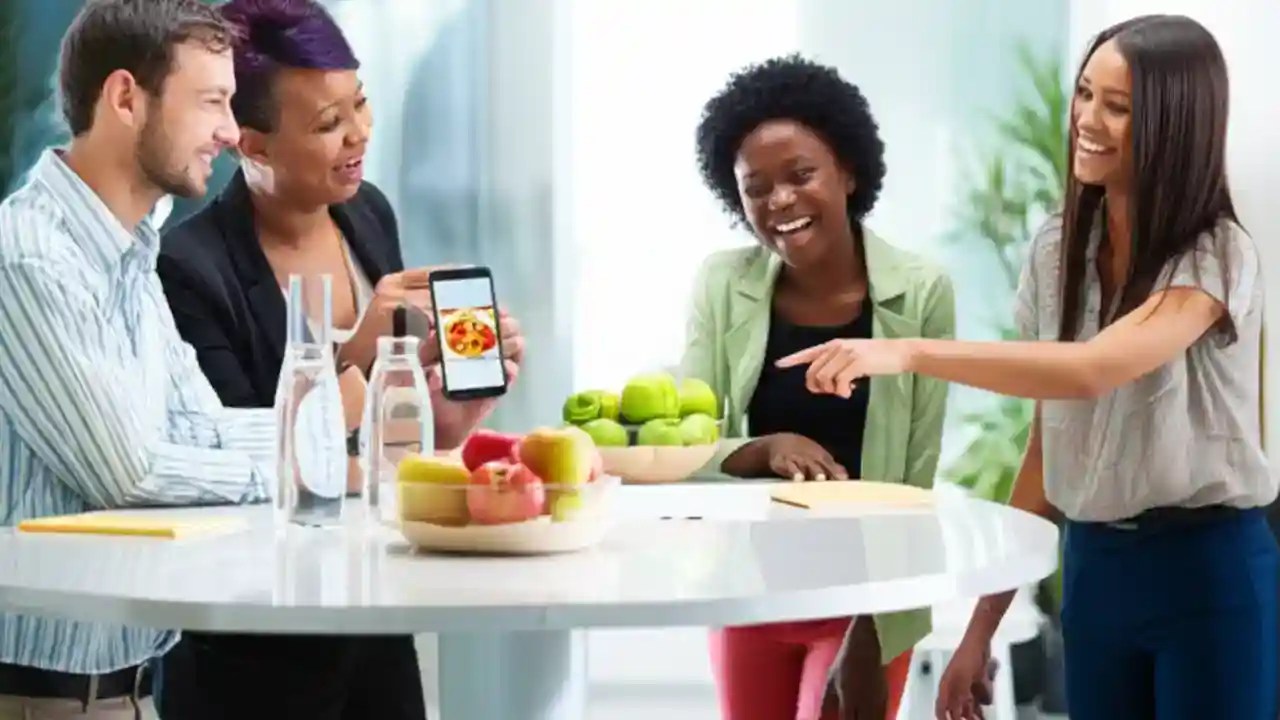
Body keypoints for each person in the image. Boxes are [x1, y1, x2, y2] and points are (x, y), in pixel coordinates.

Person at [776, 16, 1278, 720]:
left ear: (1173, 125)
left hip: (1208, 572)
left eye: (1117, 105)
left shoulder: (1215, 255)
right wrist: (979, 632)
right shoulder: (1057, 249)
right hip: (1096, 570)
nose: (1087, 120)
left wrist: (906, 351)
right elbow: (1048, 450)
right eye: (1085, 93)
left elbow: (1092, 369)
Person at [153, 1, 524, 719]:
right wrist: (354, 353)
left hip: (375, 614)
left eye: (360, 103)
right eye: (328, 123)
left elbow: (381, 443)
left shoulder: (366, 212)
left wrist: (445, 416)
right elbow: (233, 463)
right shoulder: (187, 269)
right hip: (253, 645)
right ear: (251, 144)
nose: (359, 133)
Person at [0, 1, 341, 718]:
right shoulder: (30, 260)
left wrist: (334, 439)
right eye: (211, 101)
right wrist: (304, 465)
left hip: (127, 695)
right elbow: (130, 473)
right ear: (126, 98)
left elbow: (196, 428)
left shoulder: (128, 252)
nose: (230, 131)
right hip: (35, 700)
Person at [683, 55, 955, 720]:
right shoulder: (722, 284)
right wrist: (764, 448)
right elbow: (685, 448)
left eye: (801, 175)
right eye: (756, 188)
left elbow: (915, 479)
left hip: (867, 597)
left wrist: (872, 626)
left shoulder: (920, 292)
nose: (779, 200)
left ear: (848, 172)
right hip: (749, 589)